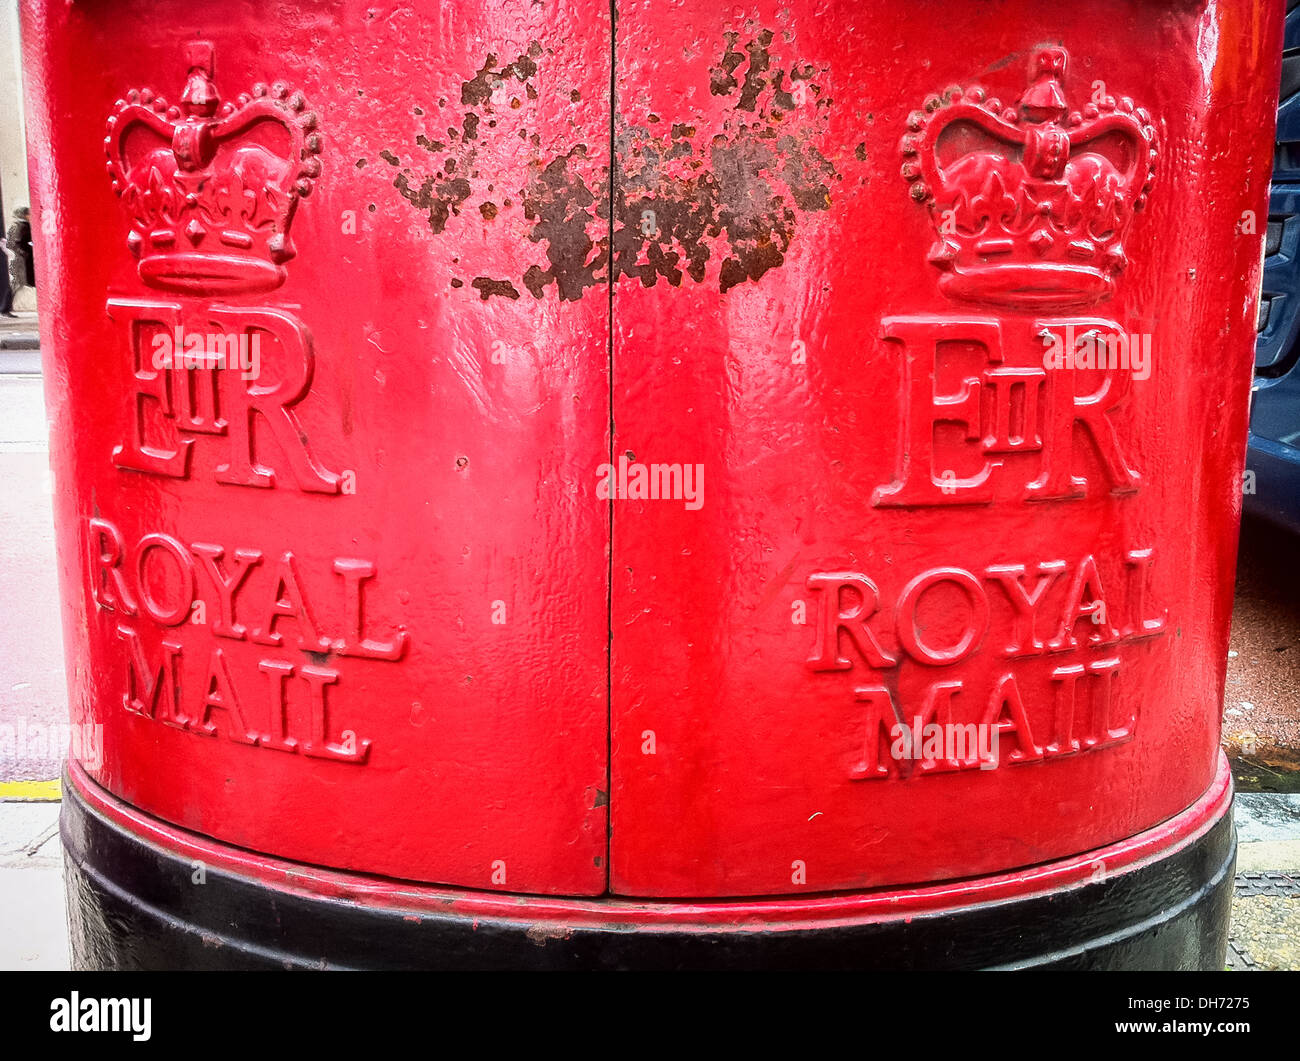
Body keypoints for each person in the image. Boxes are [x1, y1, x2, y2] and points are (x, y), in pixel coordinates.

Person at [7, 207, 33, 293]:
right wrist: (26, 252)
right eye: (29, 214)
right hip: (23, 260)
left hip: (21, 259)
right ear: (25, 216)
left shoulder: (18, 226)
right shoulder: (23, 226)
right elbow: (16, 243)